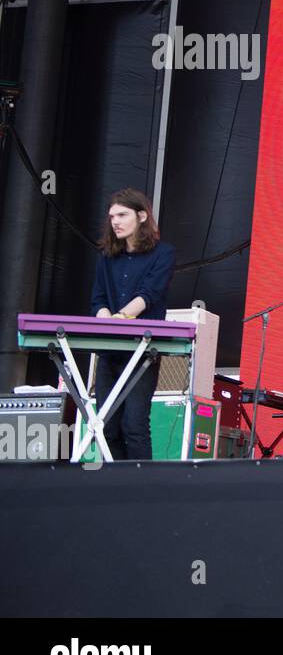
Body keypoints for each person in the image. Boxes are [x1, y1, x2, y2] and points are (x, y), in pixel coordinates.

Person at [88, 188, 176, 460]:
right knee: (106, 426)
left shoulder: (164, 253)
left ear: (141, 216)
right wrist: (105, 318)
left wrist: (121, 318)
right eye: (112, 216)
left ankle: (141, 490)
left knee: (134, 425)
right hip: (110, 351)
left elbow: (149, 295)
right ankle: (111, 488)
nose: (115, 221)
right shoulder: (107, 256)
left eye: (122, 214)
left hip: (142, 352)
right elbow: (98, 299)